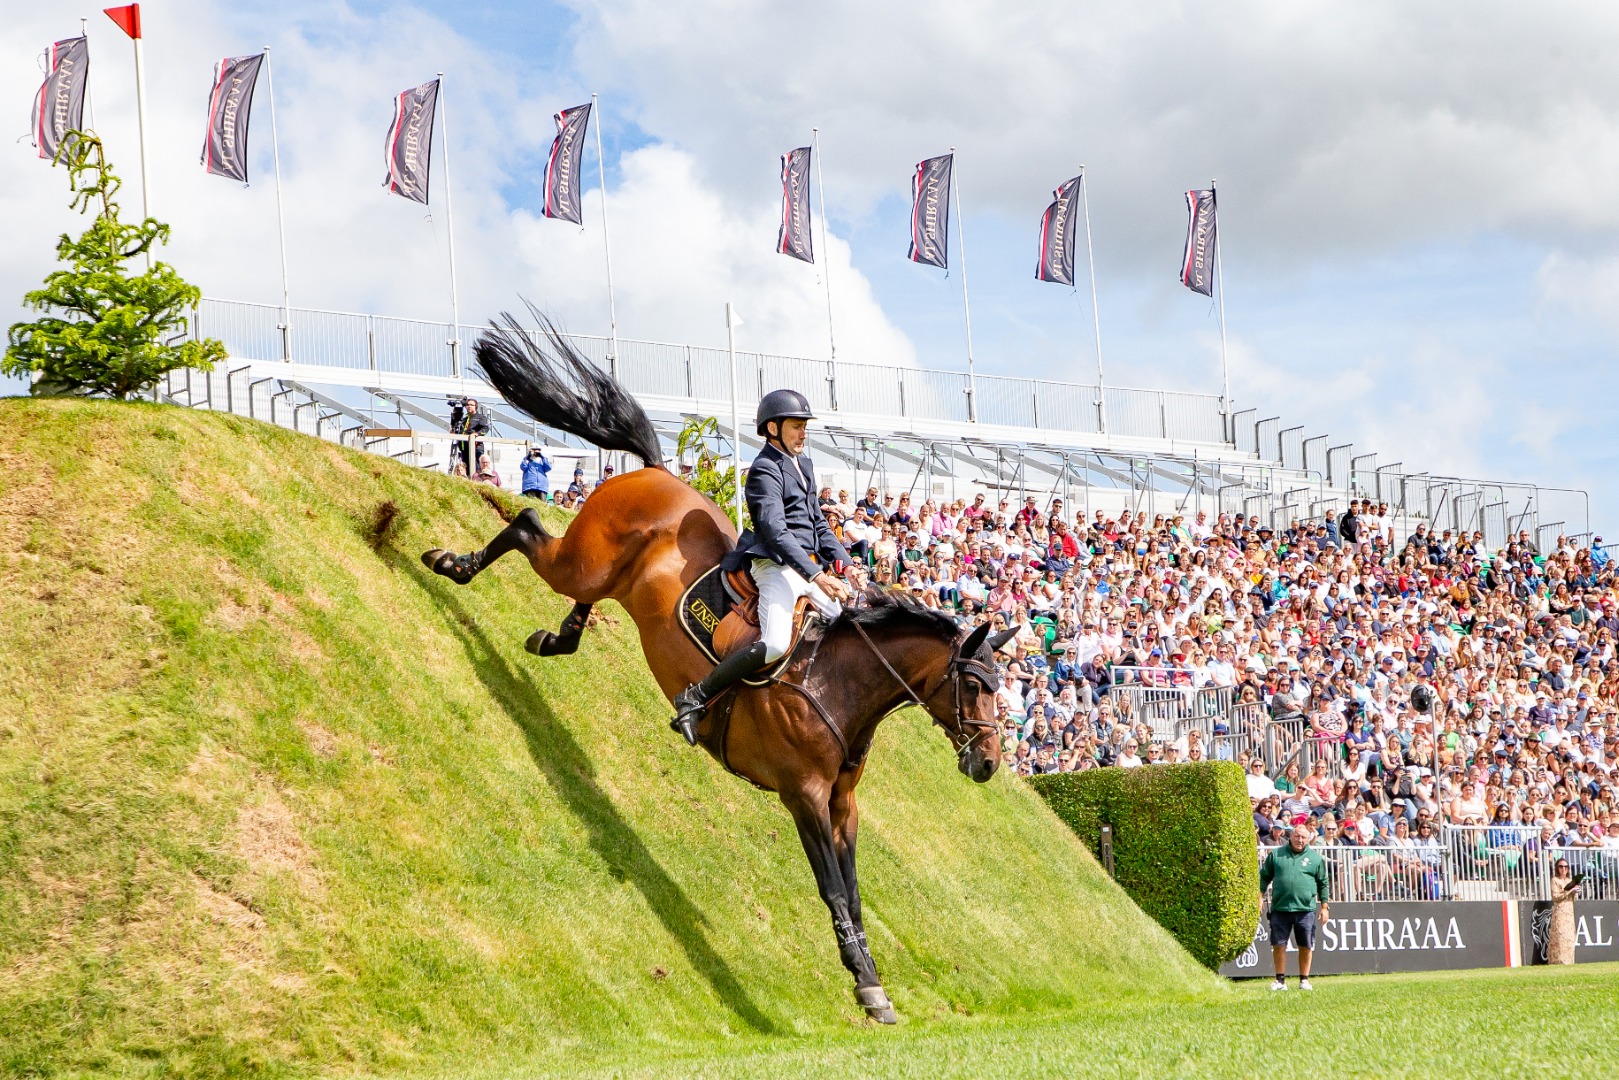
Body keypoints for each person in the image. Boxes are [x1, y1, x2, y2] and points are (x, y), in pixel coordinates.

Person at [668, 389, 854, 744]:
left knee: (844, 626)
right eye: (797, 426)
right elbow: (775, 530)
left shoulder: (805, 465)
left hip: (806, 566)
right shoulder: (763, 470)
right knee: (773, 643)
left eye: (804, 427)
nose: (803, 433)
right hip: (775, 564)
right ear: (772, 427)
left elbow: (818, 525)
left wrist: (845, 565)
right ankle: (695, 697)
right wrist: (817, 575)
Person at [1259, 823, 1331, 991]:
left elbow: (1323, 884)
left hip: (1305, 909)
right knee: (1278, 944)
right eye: (1297, 836)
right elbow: (1264, 877)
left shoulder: (1315, 859)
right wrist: (1259, 897)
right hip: (1280, 908)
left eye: (1303, 837)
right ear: (1290, 836)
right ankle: (1280, 981)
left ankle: (1304, 980)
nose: (1300, 840)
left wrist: (1325, 906)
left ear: (1309, 839)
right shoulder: (1276, 855)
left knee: (1305, 945)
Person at [1548, 858, 1578, 964]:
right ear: (1557, 868)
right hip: (1560, 910)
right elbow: (1556, 897)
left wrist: (1575, 892)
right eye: (1561, 866)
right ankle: (1558, 960)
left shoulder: (1570, 881)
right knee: (1560, 936)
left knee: (1569, 936)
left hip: (1569, 910)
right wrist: (1569, 891)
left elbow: (1574, 899)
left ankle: (1569, 960)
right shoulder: (1555, 880)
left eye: (1565, 867)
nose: (1563, 869)